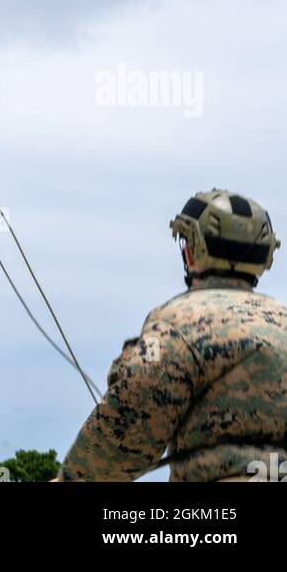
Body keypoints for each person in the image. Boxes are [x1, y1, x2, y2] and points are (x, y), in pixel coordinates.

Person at [57, 189, 287, 482]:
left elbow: (130, 423)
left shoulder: (180, 322)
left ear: (191, 250)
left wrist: (74, 477)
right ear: (265, 256)